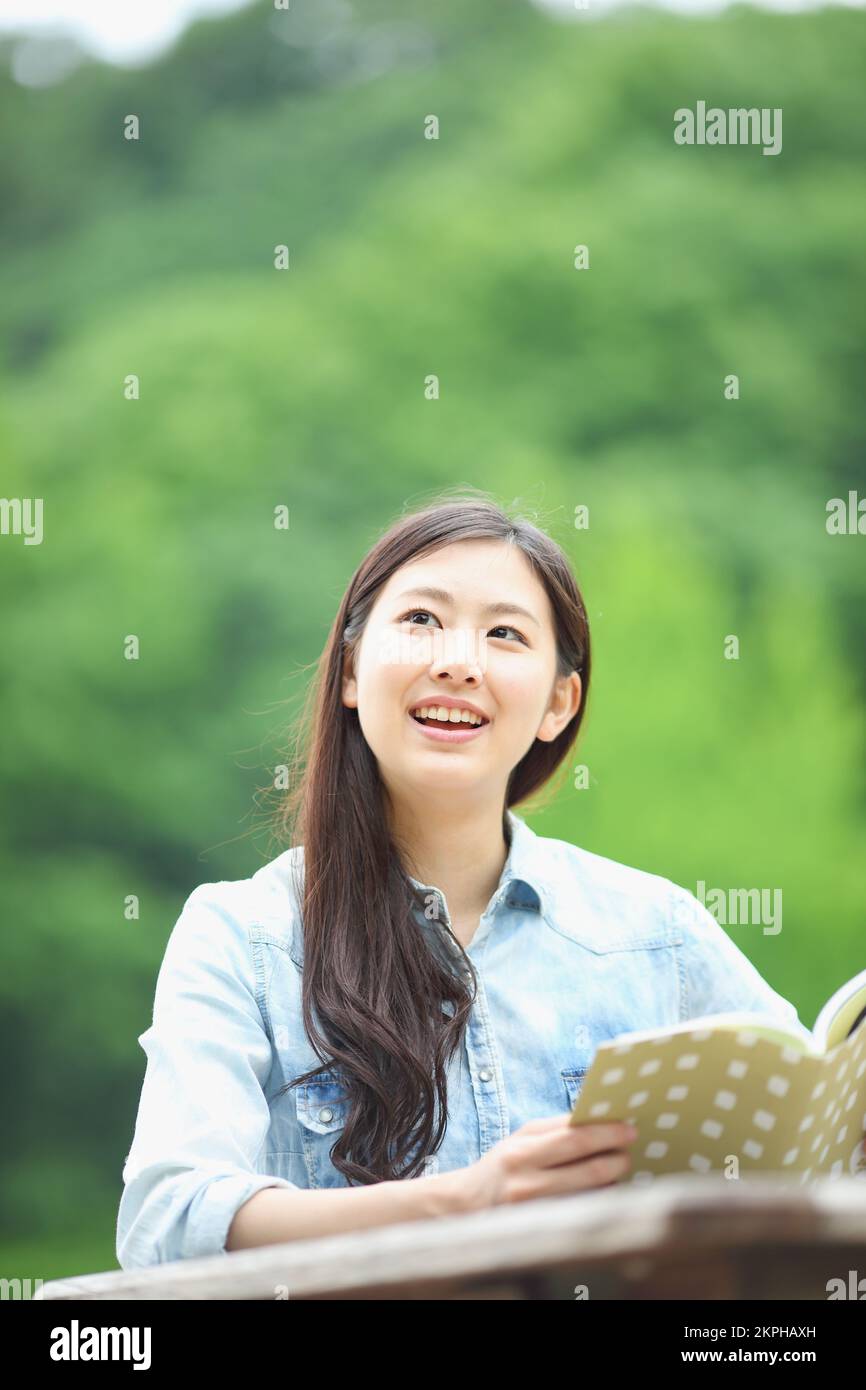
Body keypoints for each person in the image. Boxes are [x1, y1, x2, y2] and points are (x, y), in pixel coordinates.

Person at [116, 491, 813, 1269]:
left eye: (505, 633)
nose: (458, 660)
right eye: (420, 620)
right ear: (350, 670)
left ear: (558, 702)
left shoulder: (656, 934)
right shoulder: (242, 936)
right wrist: (466, 1203)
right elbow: (168, 1220)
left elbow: (812, 1135)